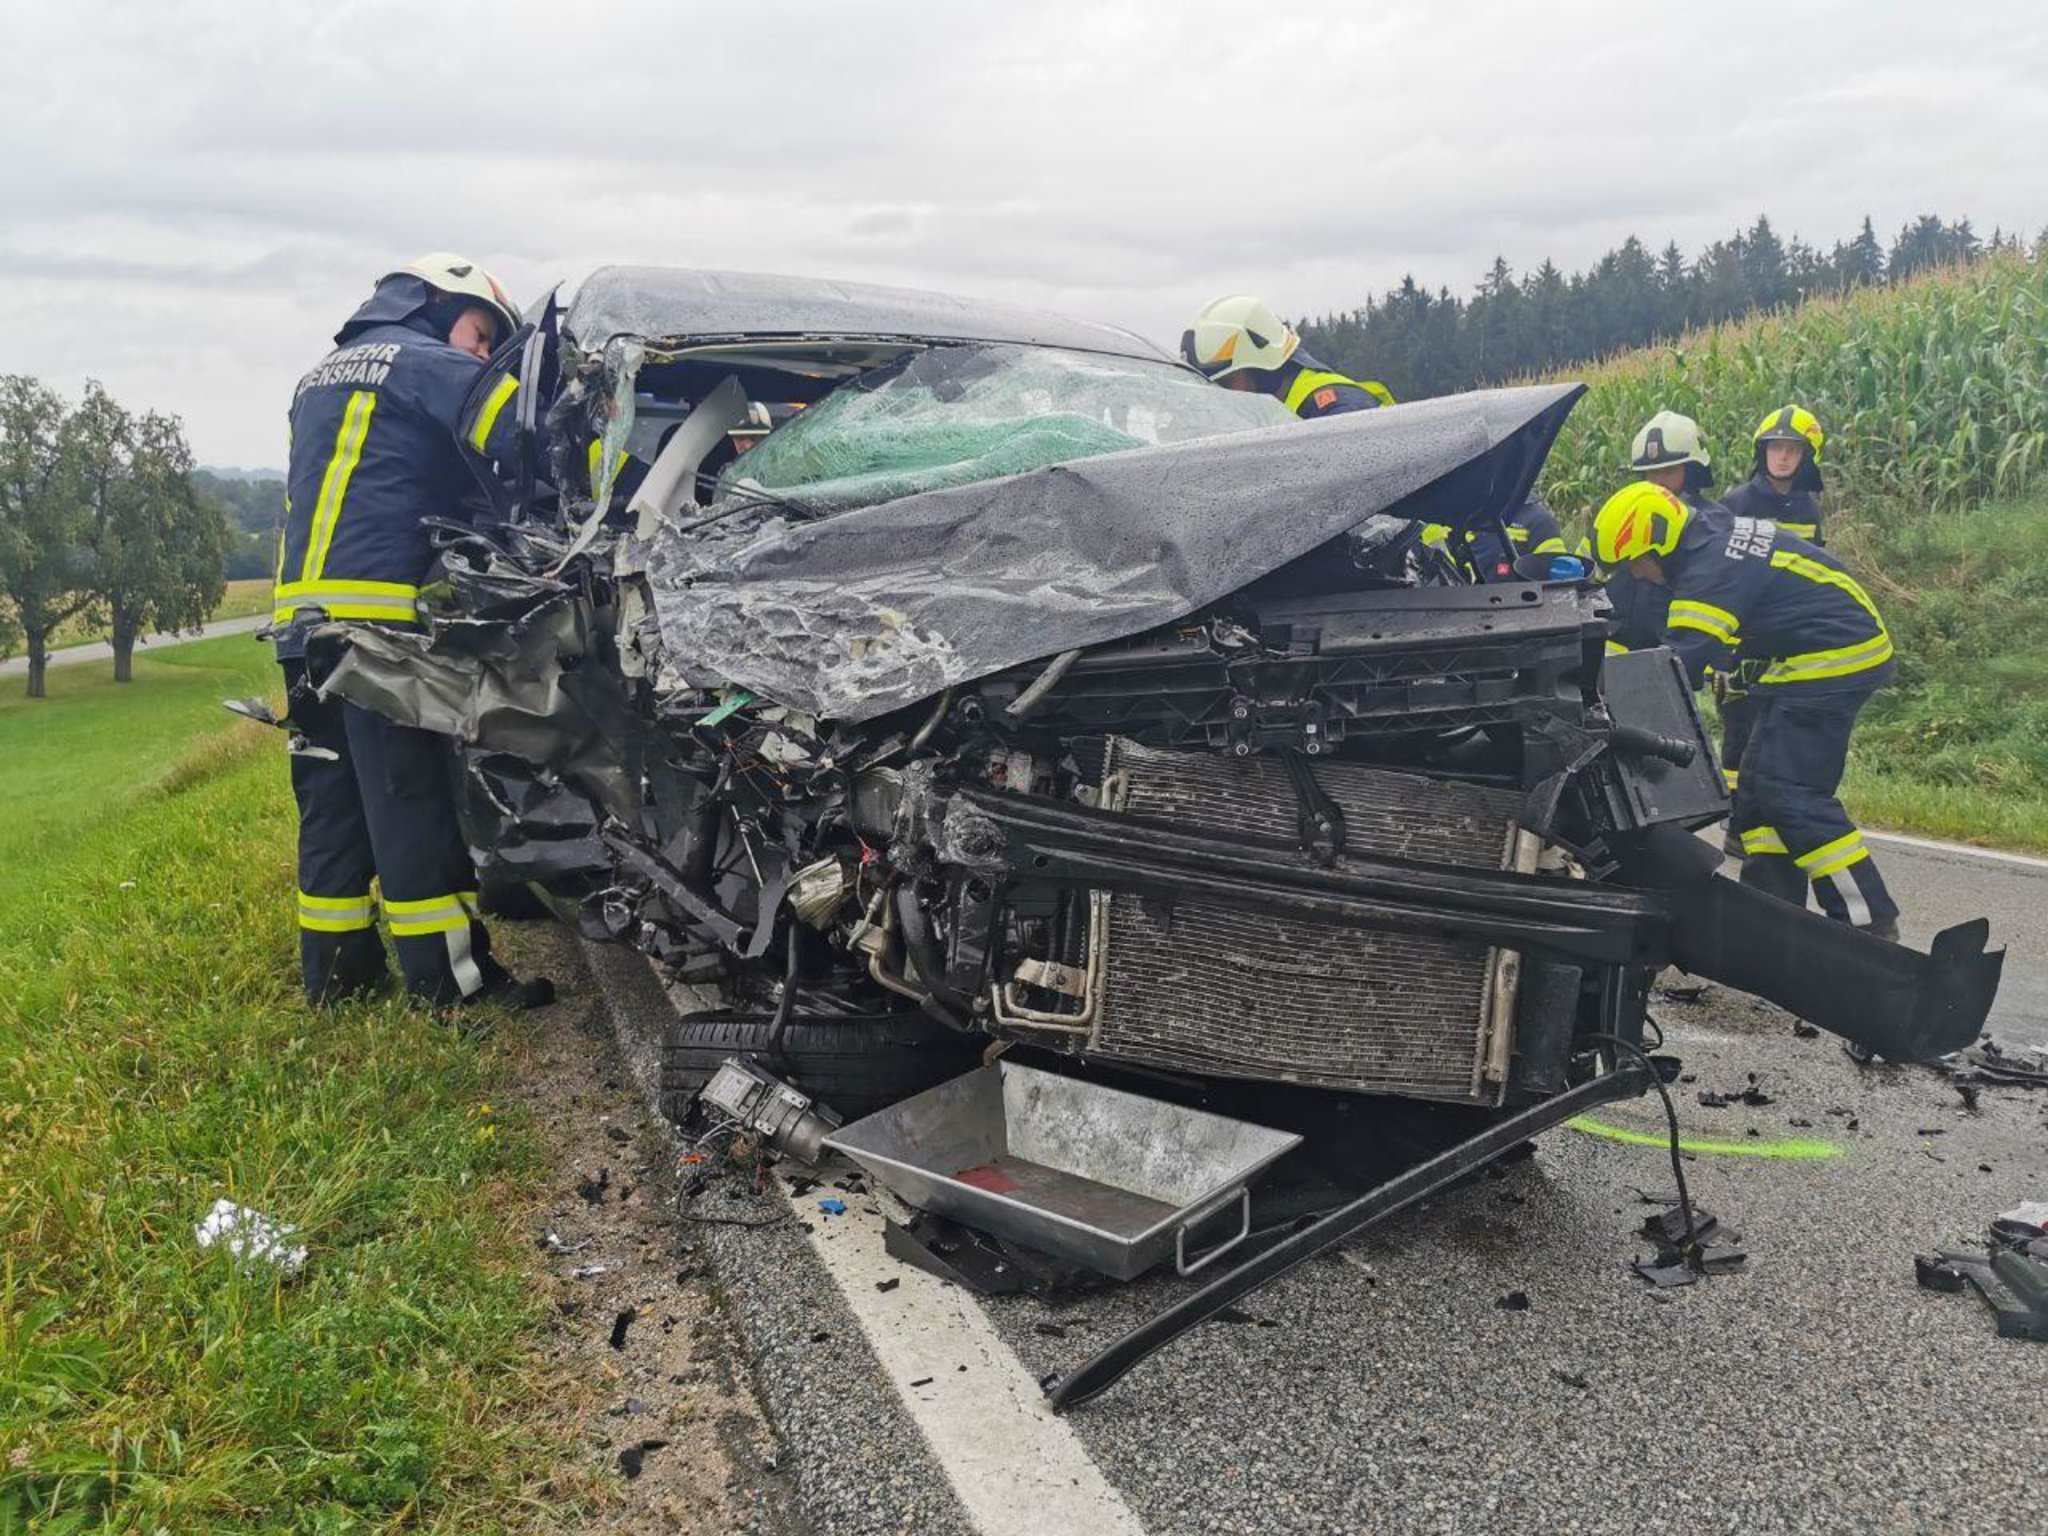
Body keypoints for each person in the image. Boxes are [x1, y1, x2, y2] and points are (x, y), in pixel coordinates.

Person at [274, 253, 552, 1009]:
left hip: (301, 634)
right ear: (433, 302)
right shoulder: (426, 363)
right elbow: (528, 439)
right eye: (478, 331)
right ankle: (454, 989)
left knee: (333, 808)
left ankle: (338, 980)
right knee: (411, 810)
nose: (478, 353)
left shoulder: (320, 377)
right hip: (378, 639)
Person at [1592, 481, 1899, 939]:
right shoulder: (1707, 529)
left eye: (1636, 561)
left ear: (1660, 542)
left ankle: (1869, 925)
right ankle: (1771, 922)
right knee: (1755, 794)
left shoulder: (1711, 572)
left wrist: (1599, 700)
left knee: (1791, 791)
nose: (1637, 575)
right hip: (1799, 657)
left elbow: (1675, 668)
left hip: (1835, 658)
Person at [1712, 406, 1830, 815]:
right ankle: (1735, 820)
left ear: (1805, 457)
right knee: (1739, 728)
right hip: (1740, 637)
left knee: (1774, 729)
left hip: (1787, 640)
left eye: (1792, 450)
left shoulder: (1809, 511)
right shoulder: (1736, 503)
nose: (1783, 457)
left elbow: (1816, 573)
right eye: (1776, 448)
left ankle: (1760, 812)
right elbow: (1719, 575)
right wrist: (1721, 649)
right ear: (1762, 453)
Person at [1181, 295, 1395, 418]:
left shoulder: (1336, 411)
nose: (1222, 394)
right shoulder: (1280, 410)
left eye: (1226, 382)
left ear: (1261, 369)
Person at [1628, 409, 1716, 505]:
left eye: (1669, 471)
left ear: (1692, 473)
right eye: (1653, 473)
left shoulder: (1717, 519)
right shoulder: (1635, 518)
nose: (1659, 482)